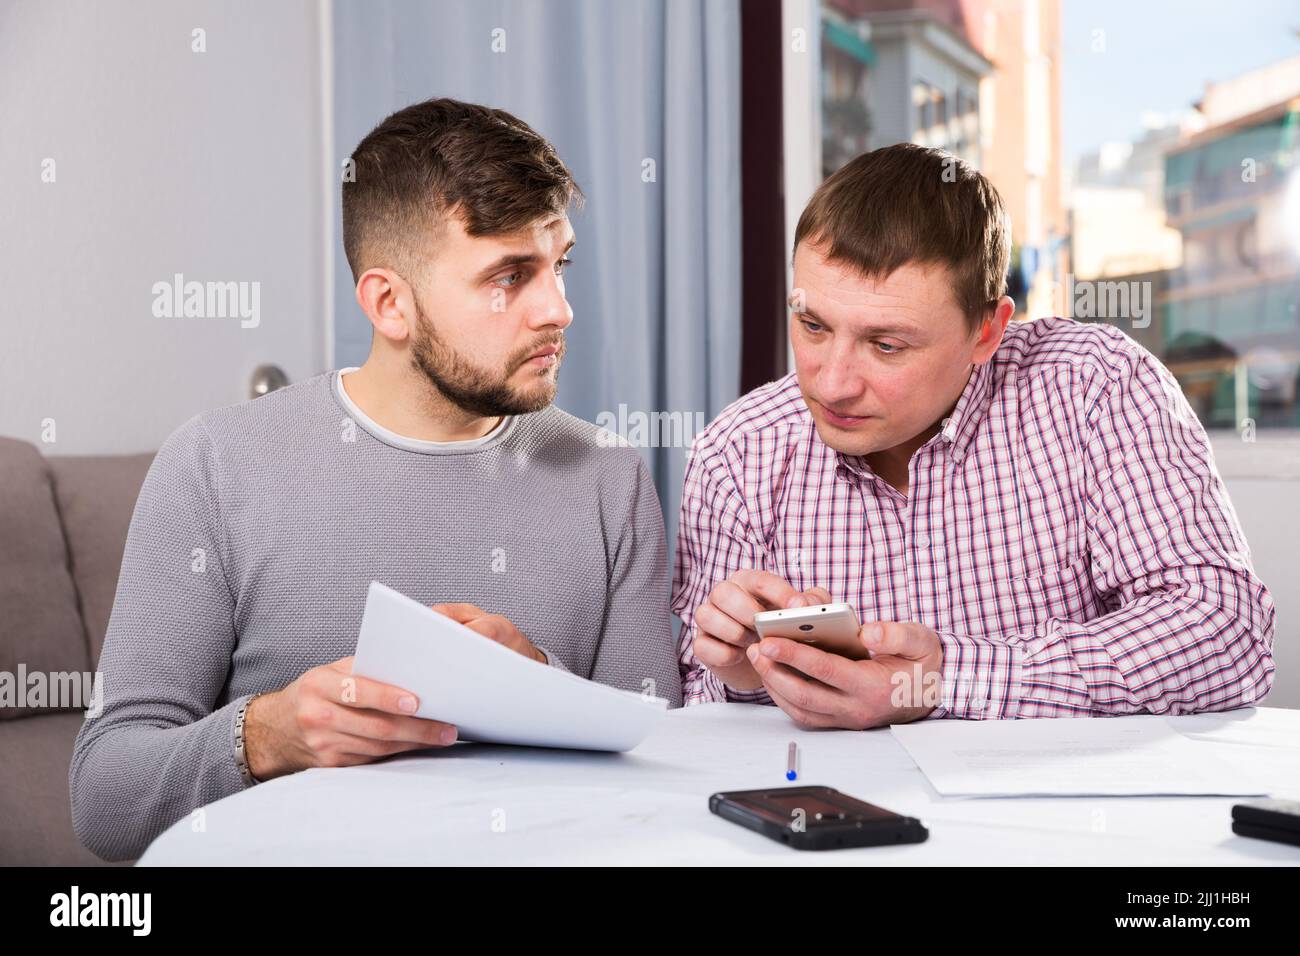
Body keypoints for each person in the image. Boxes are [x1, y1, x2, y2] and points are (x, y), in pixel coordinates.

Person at [71, 98, 682, 861]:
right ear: (390, 303)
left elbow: (664, 779)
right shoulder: (213, 464)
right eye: (509, 276)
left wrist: (540, 688)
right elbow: (103, 799)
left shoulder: (610, 477)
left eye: (558, 266)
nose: (557, 309)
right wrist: (266, 735)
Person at [673, 143, 1275, 728]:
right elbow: (700, 706)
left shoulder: (1096, 388)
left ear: (987, 331)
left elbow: (1227, 633)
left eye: (886, 345)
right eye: (812, 325)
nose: (831, 385)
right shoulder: (738, 452)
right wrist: (744, 673)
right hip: (835, 814)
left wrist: (941, 680)